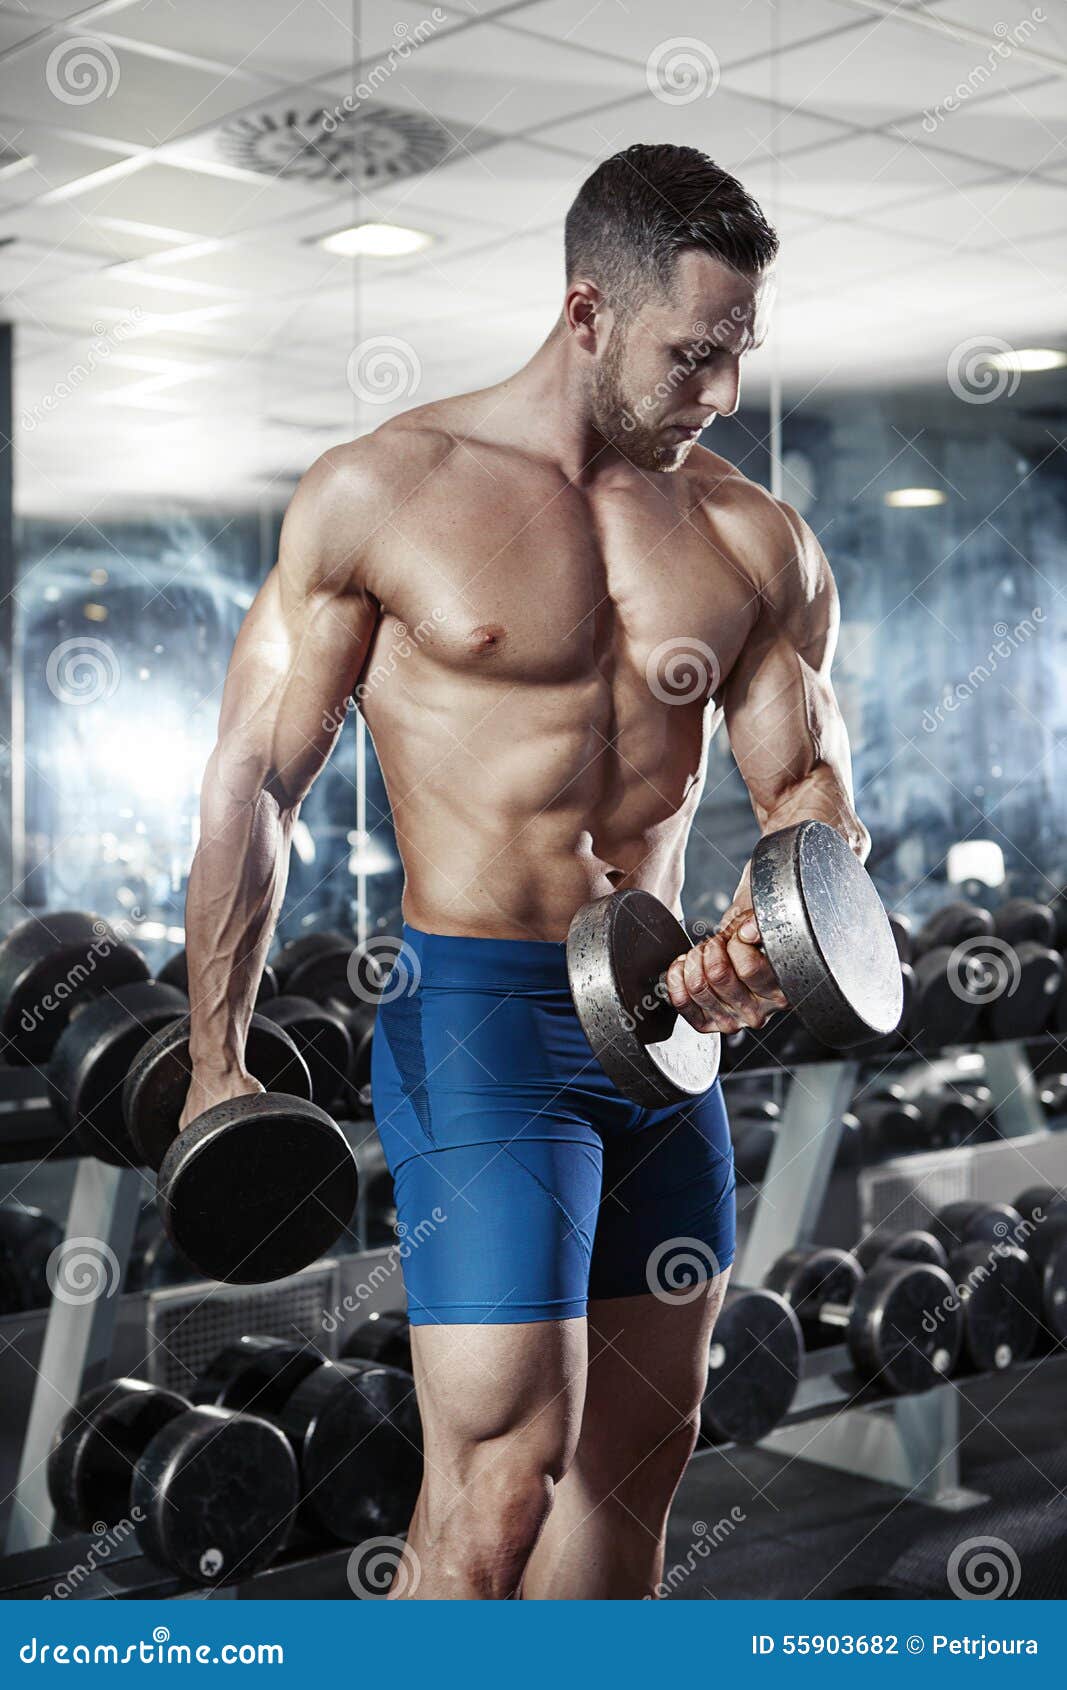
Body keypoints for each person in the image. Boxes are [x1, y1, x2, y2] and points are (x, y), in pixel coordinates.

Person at [181, 142, 870, 1599]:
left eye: (737, 356)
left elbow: (810, 796)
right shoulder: (384, 492)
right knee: (501, 1480)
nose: (720, 393)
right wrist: (212, 1060)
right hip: (481, 1016)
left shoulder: (751, 537)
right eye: (691, 354)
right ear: (587, 312)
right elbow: (257, 784)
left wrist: (769, 931)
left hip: (662, 1029)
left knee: (642, 1454)